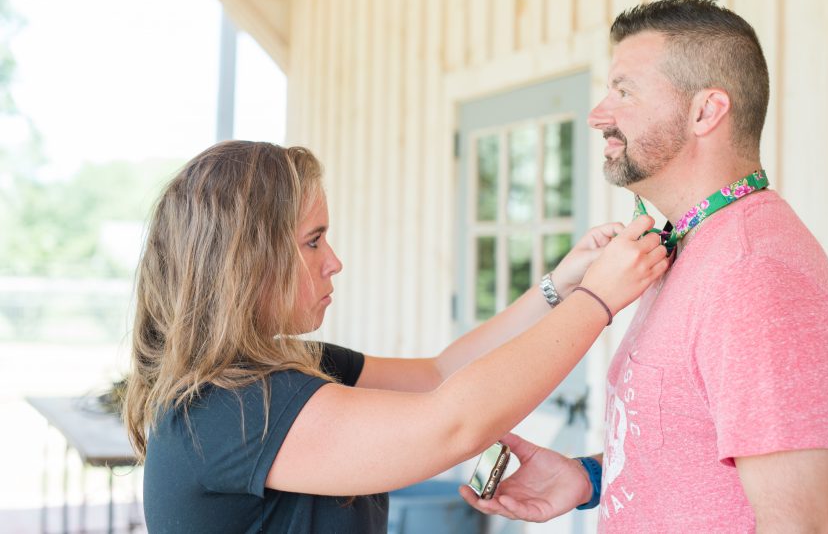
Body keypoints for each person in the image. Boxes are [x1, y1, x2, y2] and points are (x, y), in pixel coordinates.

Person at [122, 140, 669, 533]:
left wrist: (561, 285)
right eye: (313, 242)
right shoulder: (231, 409)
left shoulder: (292, 368)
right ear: (247, 261)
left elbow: (439, 375)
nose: (333, 262)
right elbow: (451, 424)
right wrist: (598, 302)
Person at [459, 0, 828, 532]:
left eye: (624, 91)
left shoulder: (753, 276)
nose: (598, 114)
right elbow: (704, 450)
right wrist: (589, 478)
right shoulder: (691, 243)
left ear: (705, 111)